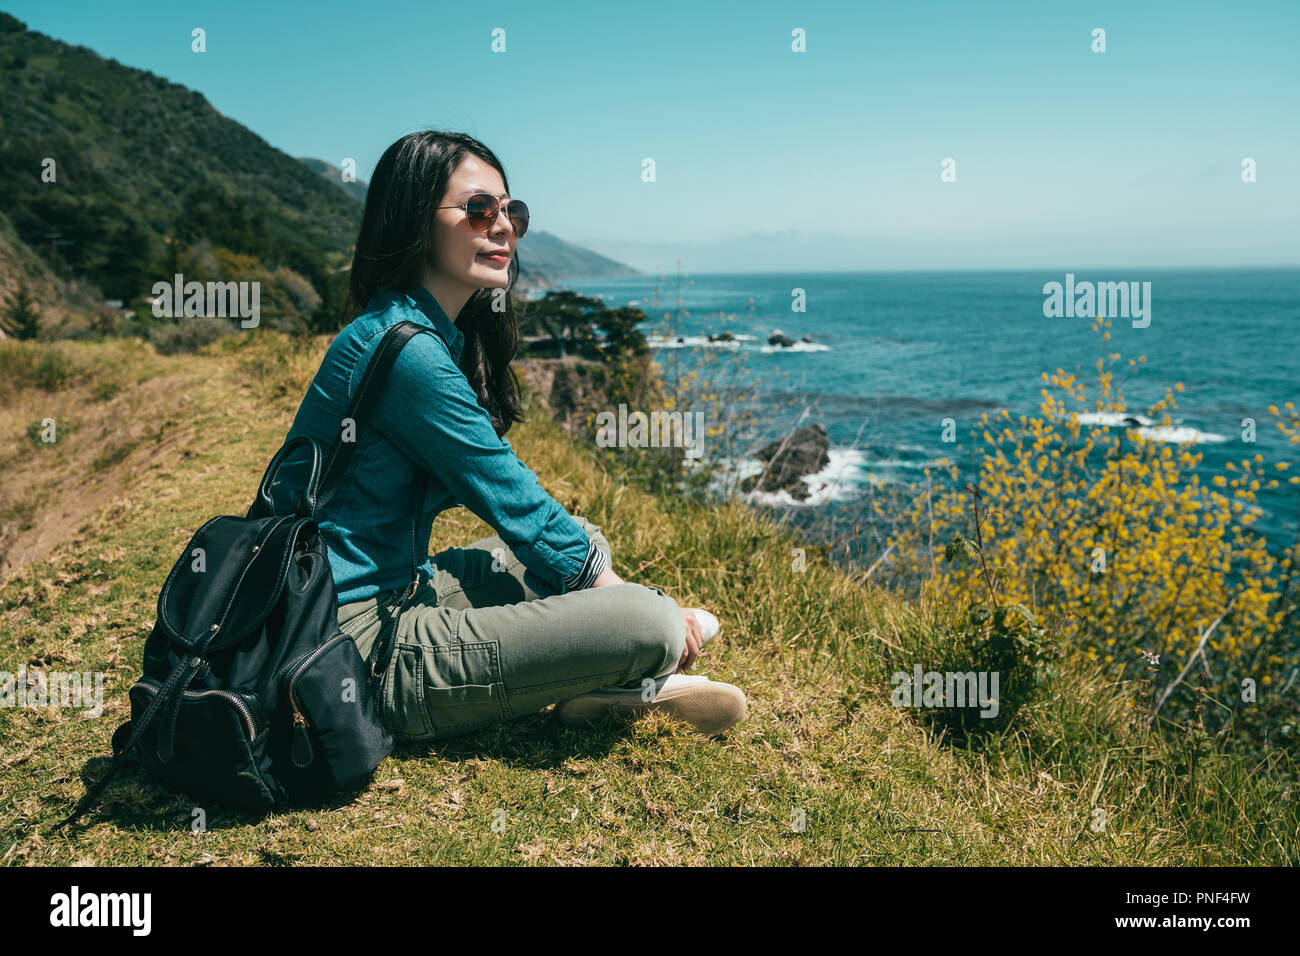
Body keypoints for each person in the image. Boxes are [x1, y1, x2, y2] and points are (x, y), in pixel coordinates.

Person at [267, 129, 746, 740]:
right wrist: (647, 606)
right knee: (644, 620)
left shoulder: (416, 331)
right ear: (416, 219)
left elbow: (537, 527)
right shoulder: (409, 354)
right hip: (354, 651)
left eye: (511, 211)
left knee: (580, 548)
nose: (504, 228)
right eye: (478, 209)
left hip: (399, 593)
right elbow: (514, 501)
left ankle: (604, 677)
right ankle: (632, 657)